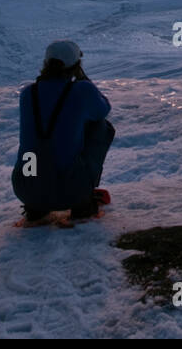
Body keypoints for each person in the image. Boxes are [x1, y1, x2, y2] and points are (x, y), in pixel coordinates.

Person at [11, 40, 115, 224]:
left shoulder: (29, 93)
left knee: (39, 144)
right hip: (69, 191)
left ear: (45, 63)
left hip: (25, 187)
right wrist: (84, 81)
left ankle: (37, 205)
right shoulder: (81, 90)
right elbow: (103, 110)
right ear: (76, 65)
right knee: (100, 127)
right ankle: (83, 197)